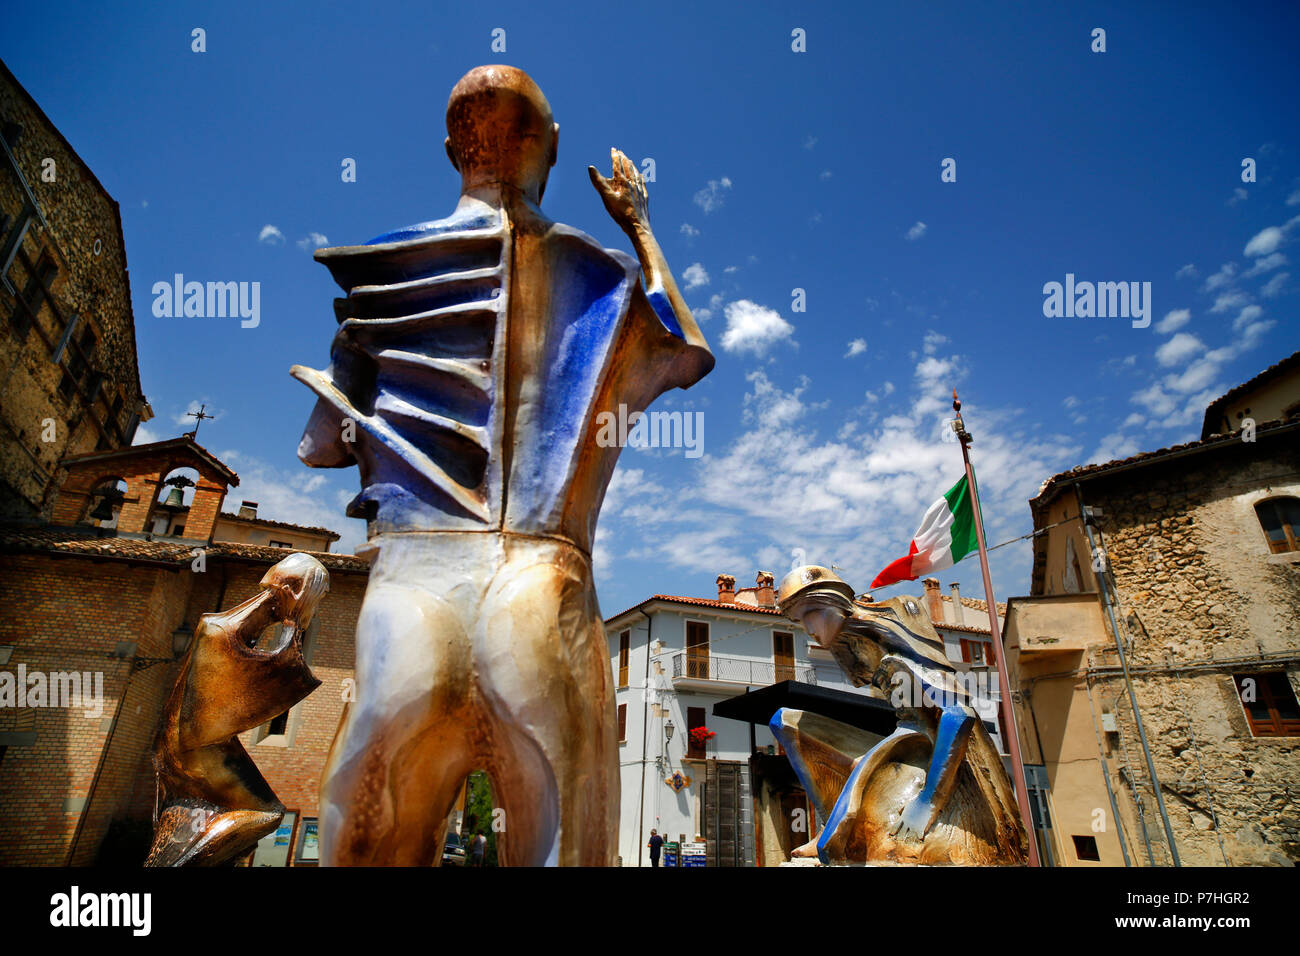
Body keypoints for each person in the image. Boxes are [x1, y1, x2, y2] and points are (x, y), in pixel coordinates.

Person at [302, 65, 713, 867]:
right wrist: (639, 226)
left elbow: (319, 445)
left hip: (410, 593)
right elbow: (687, 350)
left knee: (369, 838)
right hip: (541, 585)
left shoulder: (378, 279)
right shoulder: (599, 273)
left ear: (453, 148)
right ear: (550, 148)